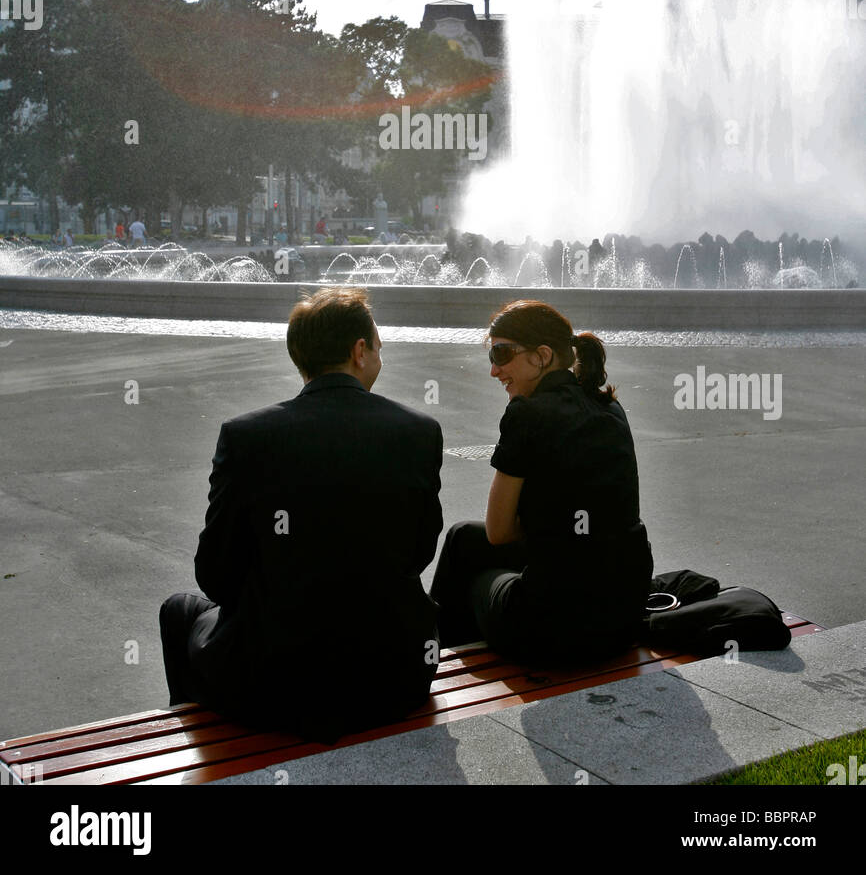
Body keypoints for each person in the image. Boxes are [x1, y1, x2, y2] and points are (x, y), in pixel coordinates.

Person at [159, 287, 443, 739]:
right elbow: (418, 553)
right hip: (396, 676)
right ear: (359, 350)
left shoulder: (247, 436)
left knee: (179, 610)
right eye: (379, 348)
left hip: (275, 687)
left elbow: (214, 575)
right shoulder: (419, 431)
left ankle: (198, 745)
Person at [431, 299, 653, 663]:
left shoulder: (527, 415)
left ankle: (439, 658)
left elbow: (498, 532)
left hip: (551, 629)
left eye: (502, 354)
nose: (494, 370)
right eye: (492, 355)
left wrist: (549, 528)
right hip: (624, 613)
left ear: (543, 355)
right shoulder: (607, 406)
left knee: (466, 554)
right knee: (463, 538)